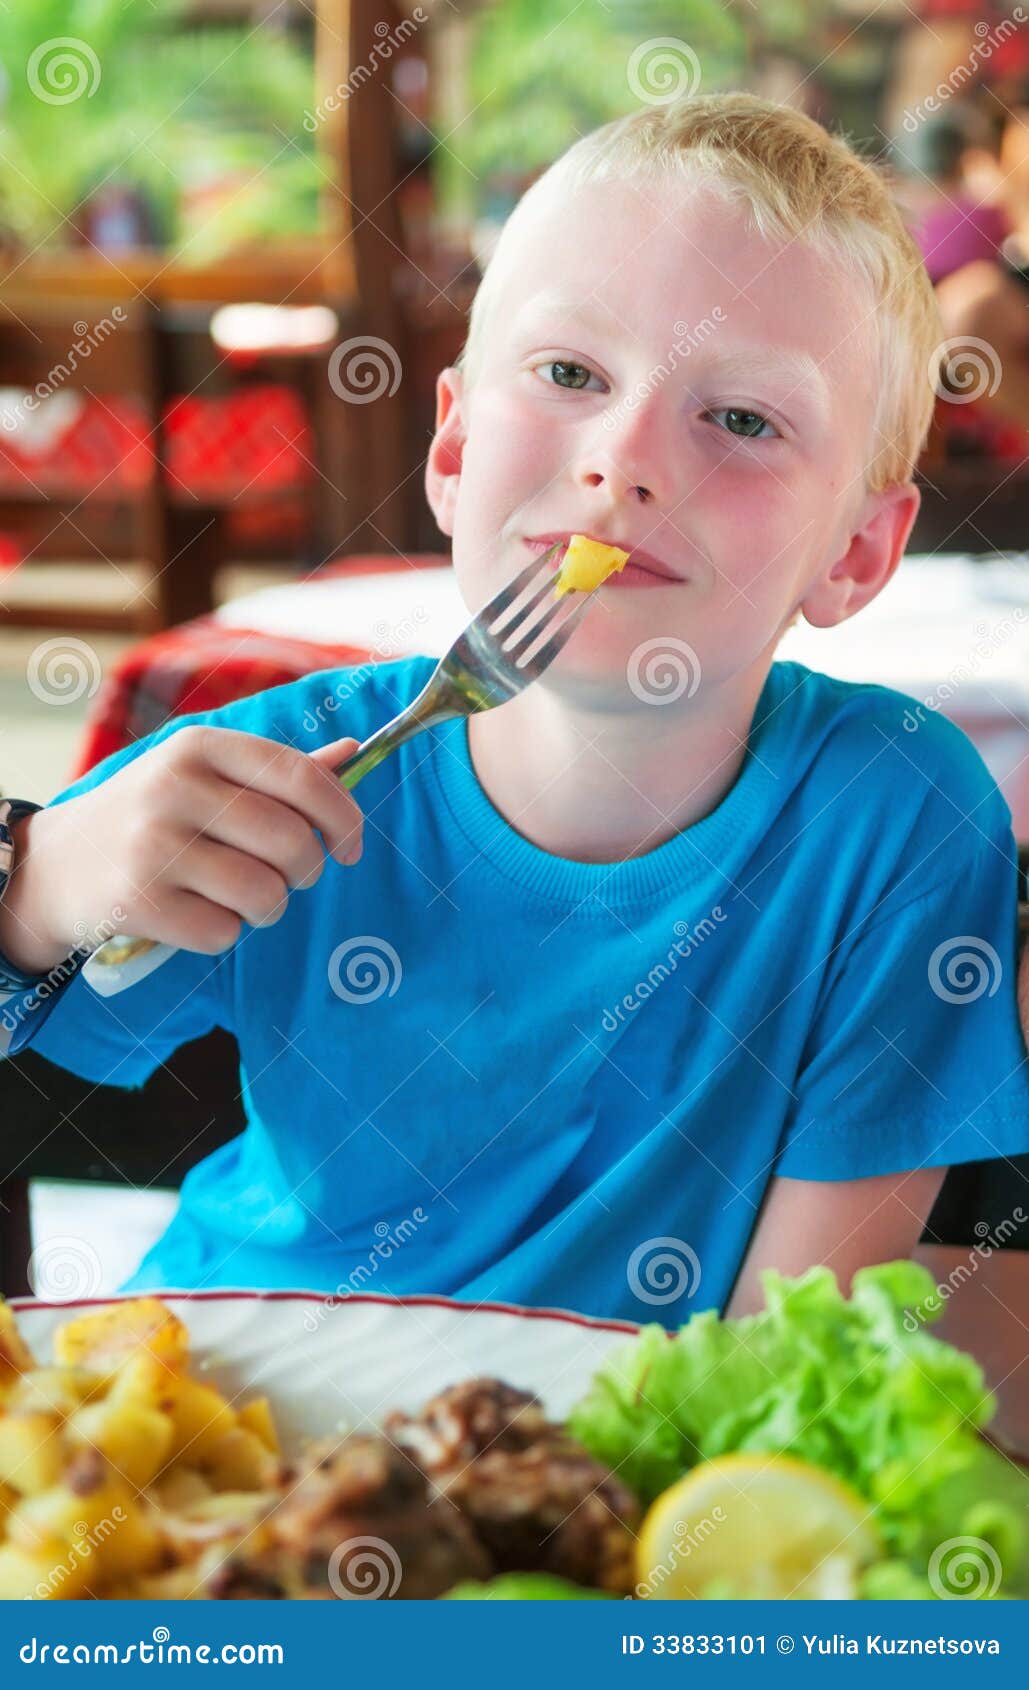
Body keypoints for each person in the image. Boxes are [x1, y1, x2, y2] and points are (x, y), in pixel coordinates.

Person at [1, 92, 1027, 1328]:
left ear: (858, 552)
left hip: (613, 1479)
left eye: (744, 419)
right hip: (228, 1410)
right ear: (451, 451)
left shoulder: (895, 822)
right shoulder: (291, 761)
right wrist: (41, 876)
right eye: (570, 372)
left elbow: (787, 1341)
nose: (624, 458)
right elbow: (47, 980)